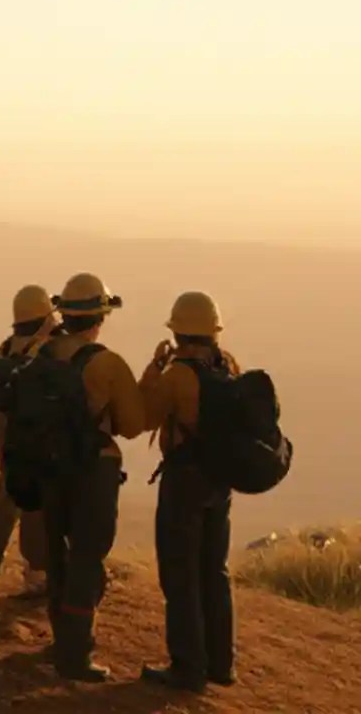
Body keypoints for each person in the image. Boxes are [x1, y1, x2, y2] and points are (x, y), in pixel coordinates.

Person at [38, 273, 145, 681]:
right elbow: (133, 425)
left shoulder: (43, 354)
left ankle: (59, 639)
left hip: (49, 465)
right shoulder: (106, 363)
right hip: (92, 468)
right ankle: (76, 653)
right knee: (86, 557)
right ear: (101, 315)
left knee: (57, 553)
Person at [139, 292, 237, 692]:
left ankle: (187, 667)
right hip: (220, 480)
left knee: (180, 574)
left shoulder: (178, 374)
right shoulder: (227, 366)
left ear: (177, 331)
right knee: (214, 571)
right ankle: (220, 664)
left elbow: (143, 417)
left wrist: (153, 370)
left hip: (184, 481)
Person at [0, 285, 54, 608]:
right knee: (31, 511)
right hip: (32, 443)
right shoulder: (45, 349)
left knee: (5, 507)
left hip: (9, 445)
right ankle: (36, 577)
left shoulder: (7, 348)